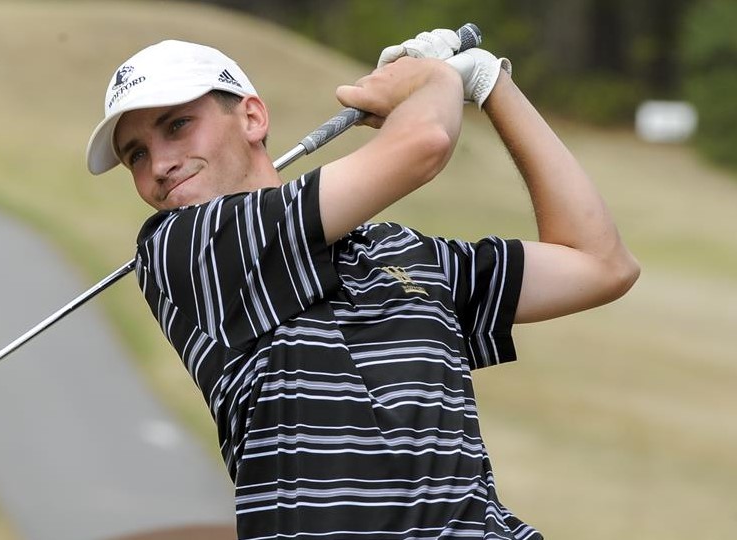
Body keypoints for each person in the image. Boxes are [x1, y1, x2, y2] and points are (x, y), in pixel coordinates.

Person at [86, 30, 639, 540]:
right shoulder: (183, 248)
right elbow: (423, 143)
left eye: (177, 125)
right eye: (136, 154)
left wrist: (492, 83)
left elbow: (600, 263)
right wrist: (432, 79)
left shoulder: (403, 253)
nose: (158, 164)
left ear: (252, 117)